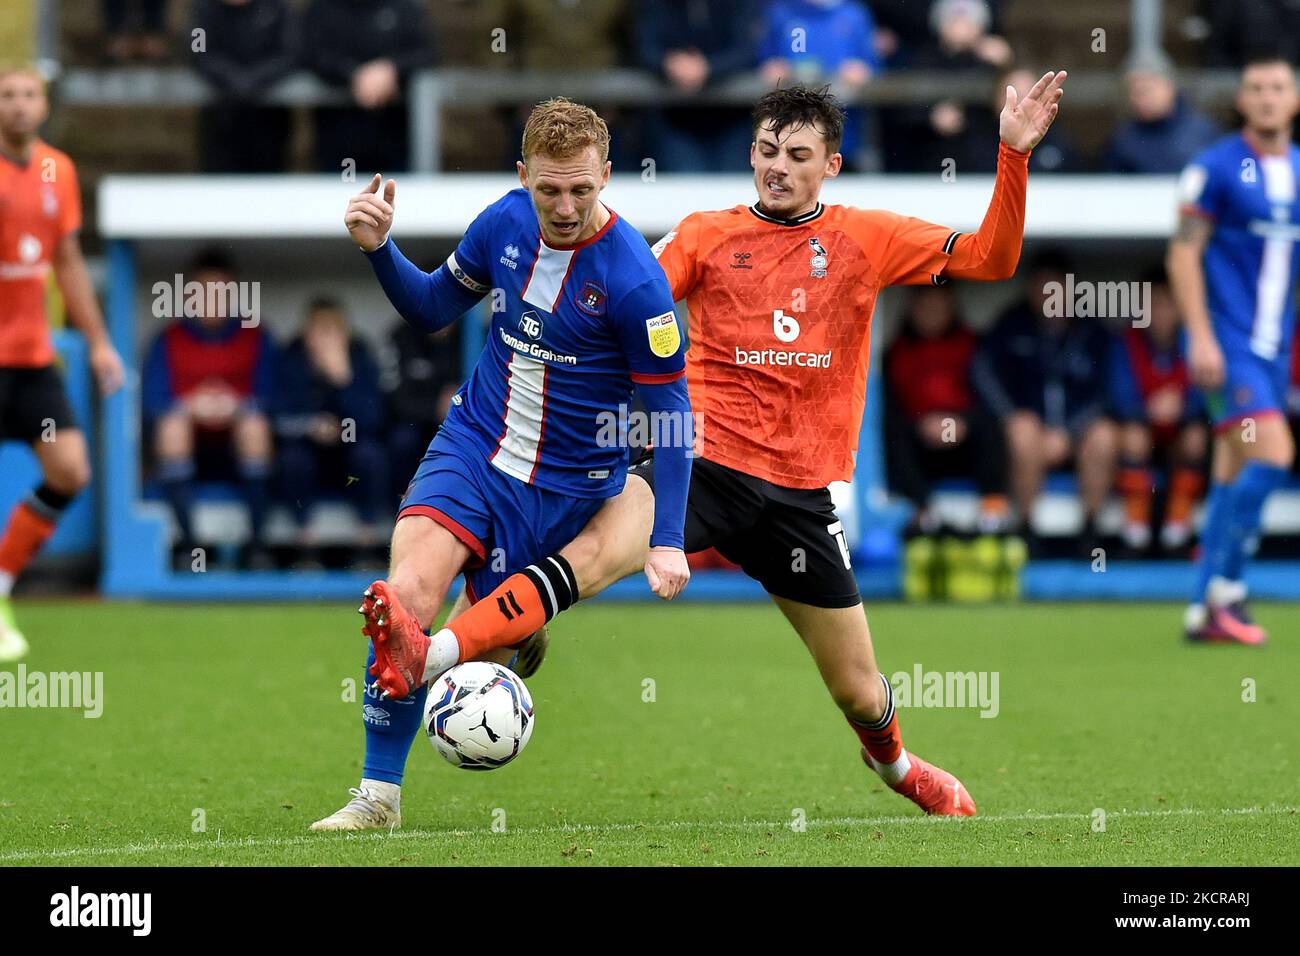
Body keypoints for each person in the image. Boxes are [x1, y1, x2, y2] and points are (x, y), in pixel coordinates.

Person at [382, 78, 1070, 822]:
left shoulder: (868, 238)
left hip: (799, 498)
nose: (779, 166)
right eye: (768, 150)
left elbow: (994, 260)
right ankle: (441, 650)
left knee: (860, 691)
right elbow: (617, 299)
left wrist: (1013, 152)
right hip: (701, 464)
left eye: (799, 155)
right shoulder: (704, 235)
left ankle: (899, 767)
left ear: (830, 166)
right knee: (583, 557)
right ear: (751, 153)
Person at [310, 98, 694, 831]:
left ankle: (497, 630)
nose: (566, 205)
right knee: (407, 597)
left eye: (582, 189)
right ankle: (376, 798)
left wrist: (668, 536)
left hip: (566, 490)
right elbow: (429, 308)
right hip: (474, 445)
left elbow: (672, 419)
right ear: (523, 177)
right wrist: (380, 248)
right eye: (549, 189)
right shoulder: (502, 225)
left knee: (470, 638)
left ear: (607, 176)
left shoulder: (637, 283)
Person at [1168, 54, 1300, 645]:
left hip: (1274, 350)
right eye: (1256, 88)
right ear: (1241, 101)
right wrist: (1199, 334)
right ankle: (1229, 590)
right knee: (1273, 455)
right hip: (1228, 344)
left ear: (1294, 99)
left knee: (1231, 471)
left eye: (1278, 87)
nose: (1268, 97)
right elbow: (1183, 253)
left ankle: (1200, 610)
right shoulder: (1217, 167)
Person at [0, 64, 126, 661]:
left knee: (70, 470)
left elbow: (68, 263)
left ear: (43, 106)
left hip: (30, 358)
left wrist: (98, 341)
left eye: (29, 95)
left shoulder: (59, 171)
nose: (19, 106)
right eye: (8, 96)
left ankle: (0, 589)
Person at [970, 249, 1119, 555]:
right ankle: (1025, 529)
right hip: (1031, 429)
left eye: (1056, 286)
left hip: (1079, 433)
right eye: (1041, 286)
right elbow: (983, 374)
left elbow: (1108, 389)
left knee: (1105, 435)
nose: (1048, 295)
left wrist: (1069, 433)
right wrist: (1012, 415)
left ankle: (1090, 532)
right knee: (1023, 431)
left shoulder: (1091, 331)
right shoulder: (1012, 325)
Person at [141, 249, 277, 569]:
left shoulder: (255, 335)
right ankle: (191, 548)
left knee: (255, 426)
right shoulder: (168, 339)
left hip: (237, 451)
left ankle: (257, 548)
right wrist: (190, 406)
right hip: (189, 454)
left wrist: (236, 406)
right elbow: (152, 404)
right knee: (172, 426)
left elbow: (273, 398)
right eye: (202, 291)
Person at [884, 284, 1008, 535]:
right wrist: (924, 423)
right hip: (921, 445)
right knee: (893, 430)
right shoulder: (894, 353)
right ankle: (923, 511)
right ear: (912, 309)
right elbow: (892, 405)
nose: (932, 313)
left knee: (991, 423)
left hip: (965, 441)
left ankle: (993, 509)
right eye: (925, 306)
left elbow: (990, 397)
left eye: (939, 306)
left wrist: (960, 423)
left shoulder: (973, 345)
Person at [274, 297, 388, 566]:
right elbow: (276, 417)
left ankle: (367, 544)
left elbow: (375, 420)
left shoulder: (359, 357)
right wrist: (310, 426)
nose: (326, 339)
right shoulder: (292, 359)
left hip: (349, 456)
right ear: (306, 333)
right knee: (293, 459)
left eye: (333, 330)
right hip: (308, 453)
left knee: (370, 456)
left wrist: (343, 379)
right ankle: (305, 546)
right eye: (319, 330)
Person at [1107, 269, 1207, 556]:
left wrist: (1182, 407)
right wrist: (1146, 409)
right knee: (1132, 436)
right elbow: (1117, 394)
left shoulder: (1193, 341)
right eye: (1152, 303)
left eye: (1167, 304)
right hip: (1141, 428)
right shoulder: (1126, 341)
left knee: (1196, 437)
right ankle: (1135, 531)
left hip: (1181, 429)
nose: (1159, 312)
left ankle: (1177, 529)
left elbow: (1206, 394)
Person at [302, 0, 435, 173]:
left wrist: (391, 68)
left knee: (391, 196)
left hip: (395, 140)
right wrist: (353, 75)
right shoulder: (321, 8)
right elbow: (310, 54)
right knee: (343, 198)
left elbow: (426, 53)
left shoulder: (404, 7)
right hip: (338, 142)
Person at [636, 0, 764, 173]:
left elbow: (747, 49)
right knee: (685, 185)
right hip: (673, 119)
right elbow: (643, 47)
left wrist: (708, 67)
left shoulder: (740, 5)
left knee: (733, 185)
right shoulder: (656, 5)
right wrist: (668, 63)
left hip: (735, 120)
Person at [190, 0, 298, 173]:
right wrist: (233, 78)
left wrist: (254, 79)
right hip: (221, 120)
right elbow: (199, 54)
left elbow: (290, 53)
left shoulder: (276, 8)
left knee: (269, 185)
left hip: (270, 123)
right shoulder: (204, 10)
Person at [1101, 50, 1220, 175]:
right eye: (1135, 92)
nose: (1142, 99)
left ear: (1169, 86)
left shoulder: (1202, 133)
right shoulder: (1122, 140)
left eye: (1148, 89)